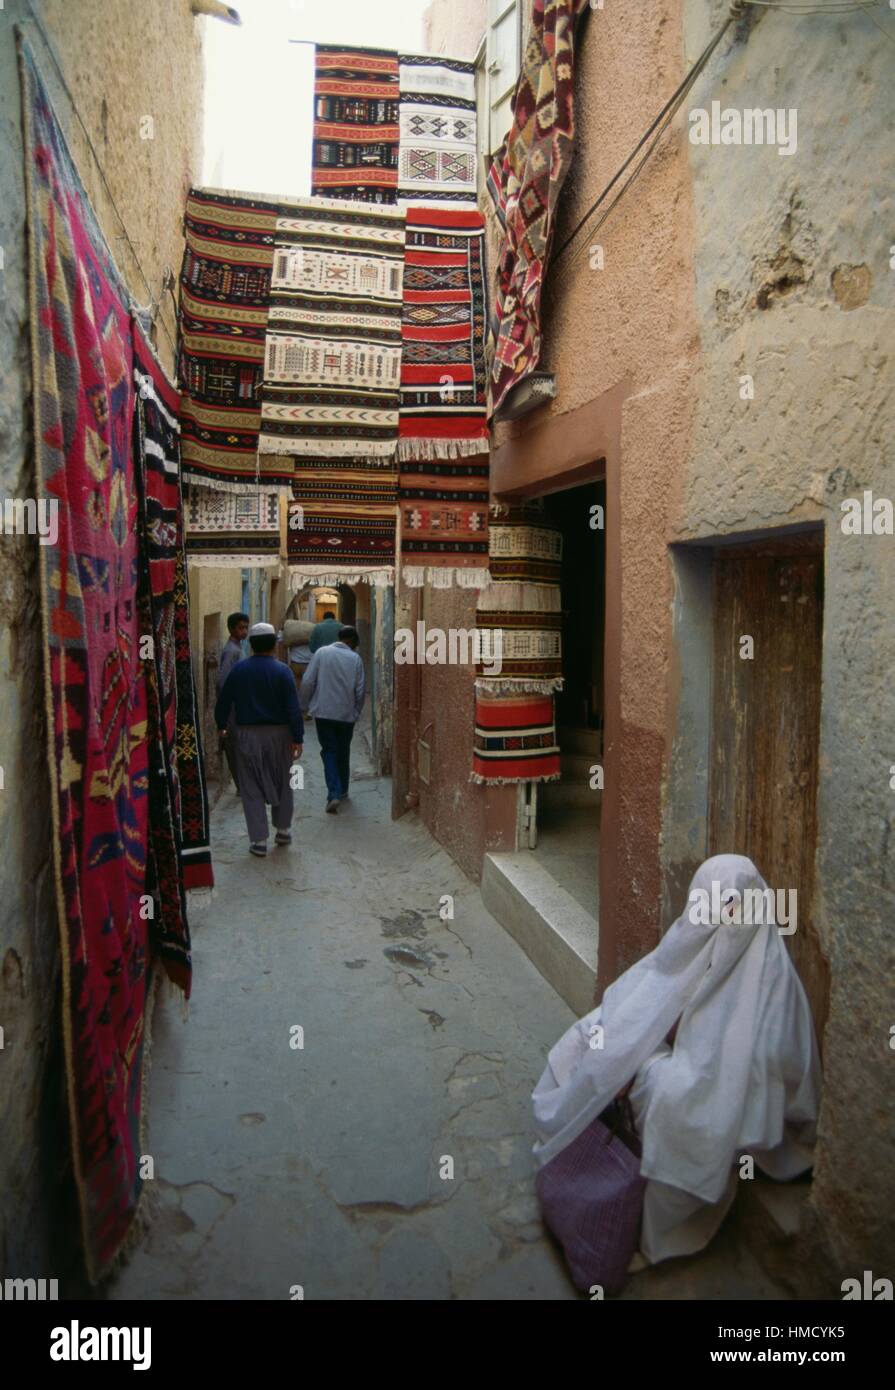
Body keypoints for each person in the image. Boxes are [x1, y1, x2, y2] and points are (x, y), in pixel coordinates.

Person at [532, 854, 821, 1267]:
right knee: (597, 1040)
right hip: (677, 1055)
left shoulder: (771, 977)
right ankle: (576, 1152)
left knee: (674, 1100)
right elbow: (652, 987)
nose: (724, 917)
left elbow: (764, 1065)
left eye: (734, 907)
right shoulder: (695, 937)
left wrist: (678, 1059)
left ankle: (650, 1227)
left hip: (714, 1082)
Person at [215, 622, 304, 857]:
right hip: (280, 734)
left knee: (250, 786)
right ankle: (283, 830)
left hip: (247, 735)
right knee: (284, 782)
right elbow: (293, 708)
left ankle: (259, 841)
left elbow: (224, 701)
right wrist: (298, 738)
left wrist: (221, 726)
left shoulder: (240, 670)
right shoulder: (283, 671)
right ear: (275, 645)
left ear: (251, 644)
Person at [300, 626, 365, 815]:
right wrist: (355, 712)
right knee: (343, 750)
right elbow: (360, 691)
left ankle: (334, 792)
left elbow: (307, 681)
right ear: (353, 642)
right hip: (346, 715)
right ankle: (343, 789)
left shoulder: (322, 653)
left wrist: (304, 706)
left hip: (324, 713)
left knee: (329, 750)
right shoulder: (355, 659)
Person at [217, 612, 248, 793]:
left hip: (238, 705)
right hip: (232, 707)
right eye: (240, 628)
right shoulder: (231, 651)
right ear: (231, 629)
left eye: (245, 627)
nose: (244, 631)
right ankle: (240, 785)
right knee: (233, 746)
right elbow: (223, 681)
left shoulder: (238, 648)